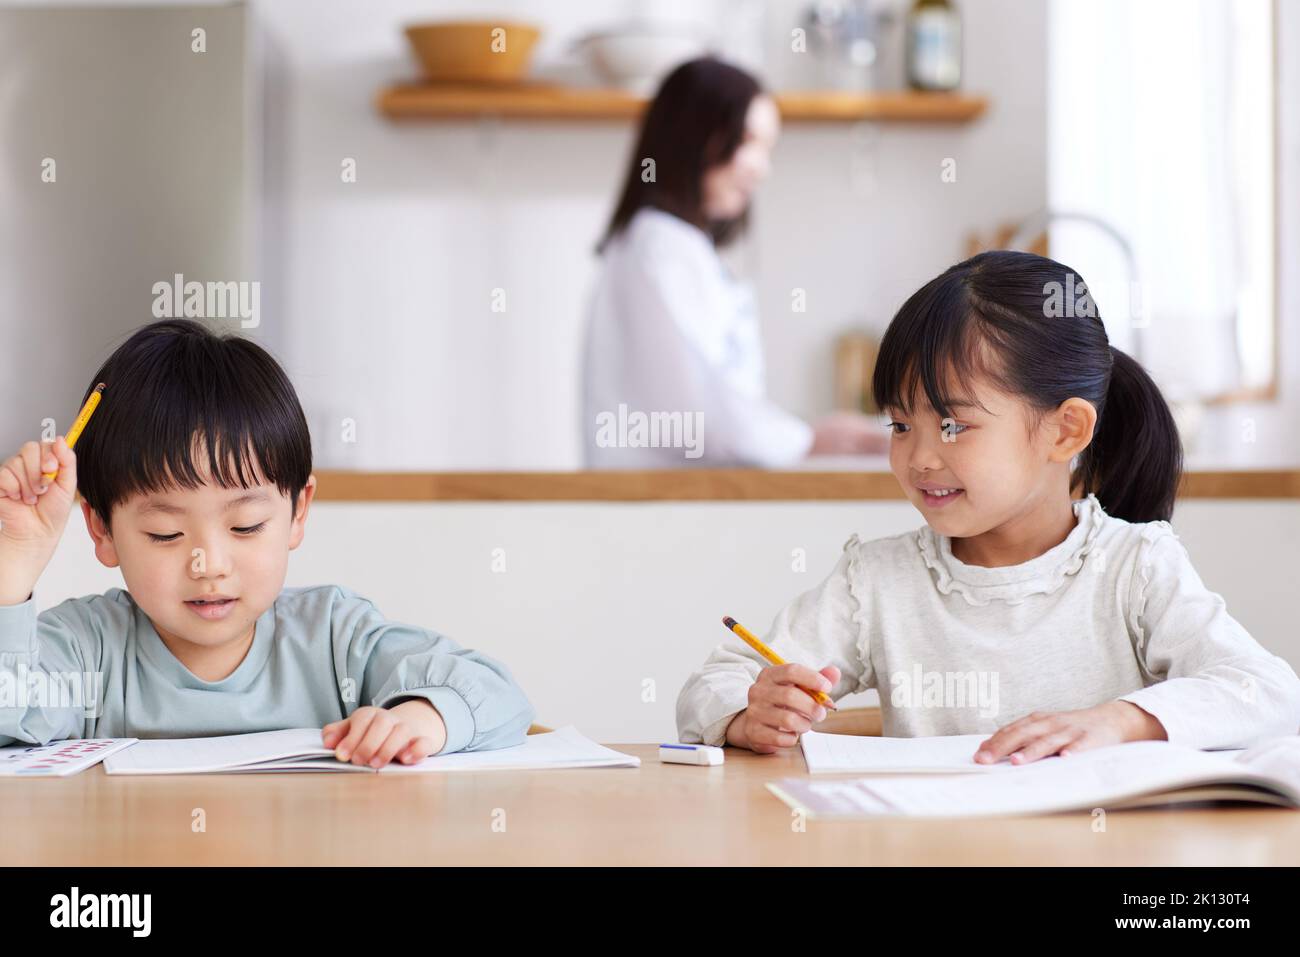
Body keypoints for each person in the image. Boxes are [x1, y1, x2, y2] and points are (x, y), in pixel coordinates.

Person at [677, 251, 1300, 761]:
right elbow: (716, 680)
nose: (919, 458)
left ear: (1064, 431)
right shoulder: (876, 582)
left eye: (951, 425)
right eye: (899, 425)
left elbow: (1270, 693)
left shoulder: (1135, 569)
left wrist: (1122, 721)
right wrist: (745, 711)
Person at [0, 319, 535, 765]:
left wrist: (423, 717)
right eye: (165, 533)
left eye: (246, 526)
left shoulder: (334, 638)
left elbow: (496, 693)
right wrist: (12, 570)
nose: (209, 565)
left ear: (298, 511)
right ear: (101, 529)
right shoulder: (86, 648)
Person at [583, 57, 886, 468]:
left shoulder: (662, 245)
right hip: (664, 509)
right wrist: (806, 438)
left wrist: (799, 435)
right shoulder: (662, 246)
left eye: (767, 149)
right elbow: (705, 413)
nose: (761, 169)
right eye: (747, 142)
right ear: (693, 135)